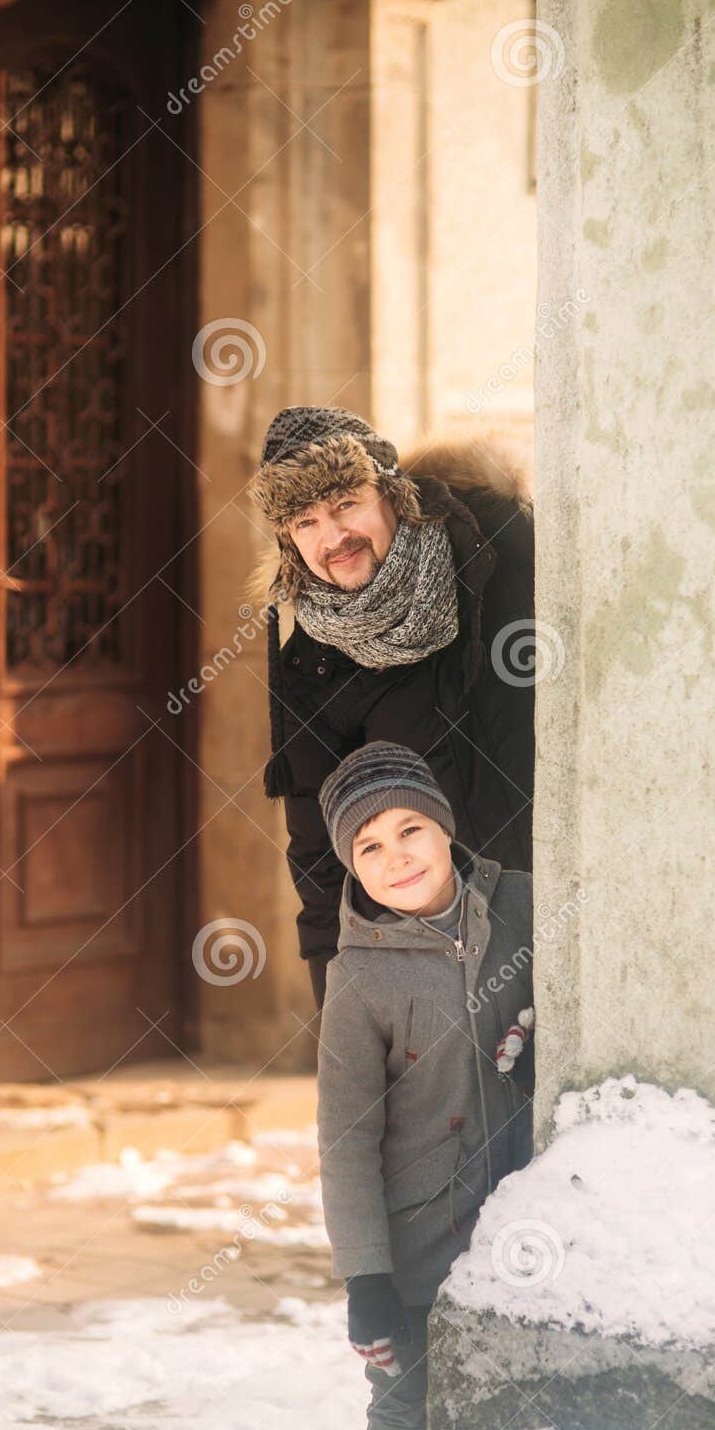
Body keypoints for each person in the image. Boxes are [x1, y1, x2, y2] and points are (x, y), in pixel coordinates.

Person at [314, 740, 535, 1430]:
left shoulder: (520, 905)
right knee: (407, 1400)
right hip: (418, 1231)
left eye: (411, 829)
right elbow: (345, 1141)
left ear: (445, 831)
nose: (395, 855)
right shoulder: (359, 978)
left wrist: (547, 1057)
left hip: (526, 1206)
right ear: (351, 867)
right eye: (368, 845)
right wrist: (365, 1278)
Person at [247, 406, 534, 1010]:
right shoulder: (312, 664)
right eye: (306, 522)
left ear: (392, 494)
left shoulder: (496, 554)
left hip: (562, 910)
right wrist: (345, 1028)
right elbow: (322, 862)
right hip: (443, 963)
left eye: (346, 504)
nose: (333, 539)